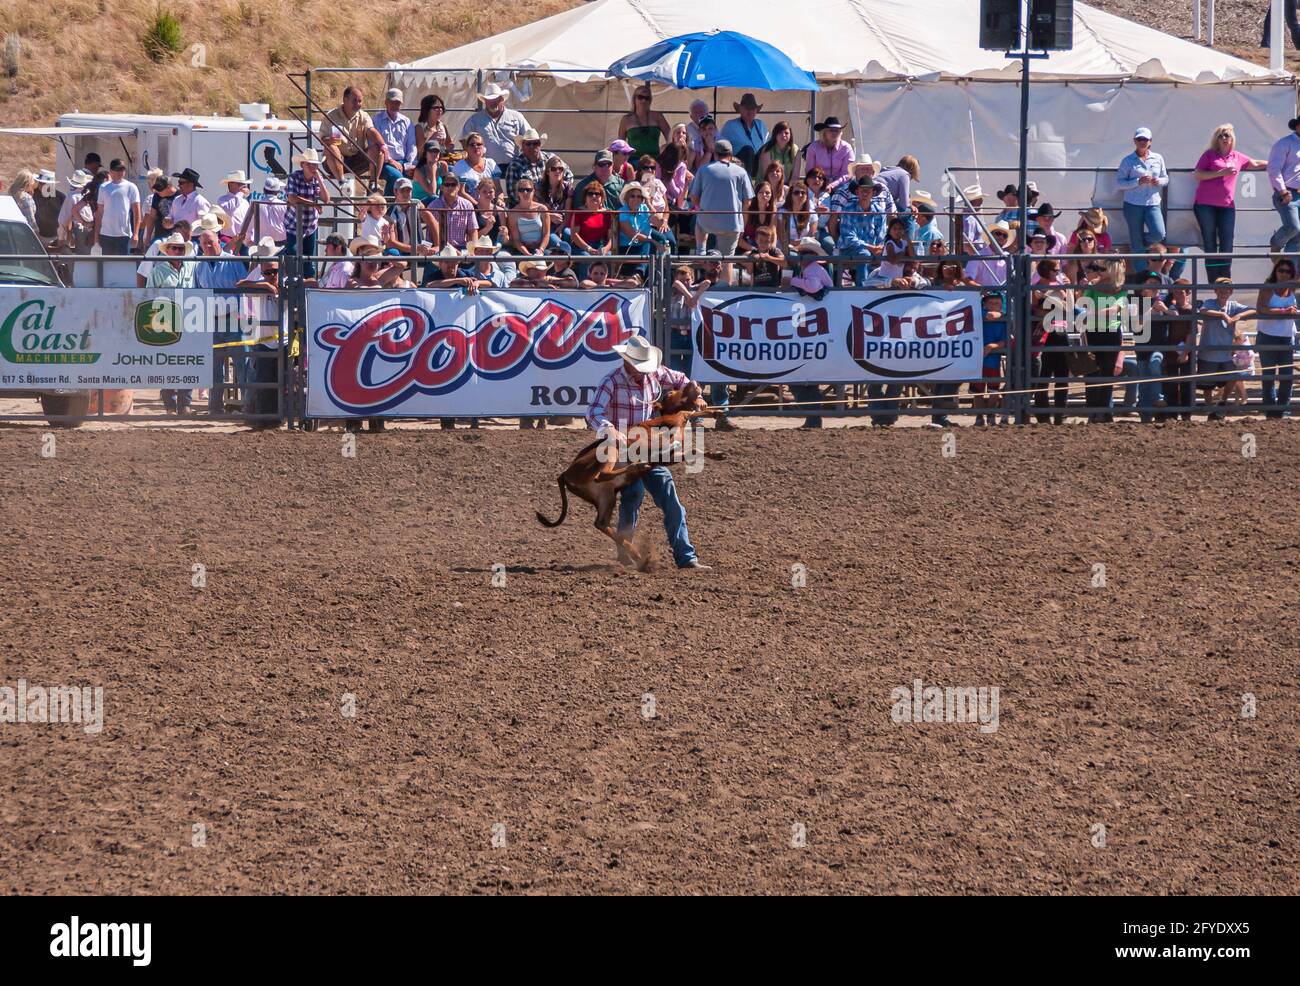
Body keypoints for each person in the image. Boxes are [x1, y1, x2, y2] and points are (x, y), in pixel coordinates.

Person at [584, 334, 710, 570]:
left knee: (670, 497)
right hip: (622, 450)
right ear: (627, 361)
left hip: (648, 448)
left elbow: (682, 380)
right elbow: (593, 412)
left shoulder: (655, 373)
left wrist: (698, 396)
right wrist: (609, 428)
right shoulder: (610, 382)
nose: (643, 371)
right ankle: (625, 552)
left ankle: (686, 558)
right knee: (633, 495)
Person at [1193, 124, 1266, 280]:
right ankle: (1213, 280)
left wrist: (1278, 163)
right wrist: (1221, 173)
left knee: (1227, 241)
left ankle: (1225, 279)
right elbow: (1198, 174)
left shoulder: (1237, 156)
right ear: (1216, 139)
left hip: (1227, 205)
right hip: (1205, 205)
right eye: (1221, 135)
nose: (1224, 138)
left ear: (1232, 139)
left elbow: (1255, 164)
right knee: (1210, 241)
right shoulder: (1209, 154)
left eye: (1227, 135)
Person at [194, 229, 249, 416]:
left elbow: (244, 287)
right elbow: (197, 293)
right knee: (214, 367)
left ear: (219, 241)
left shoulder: (233, 261)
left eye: (211, 242)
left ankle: (248, 406)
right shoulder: (199, 266)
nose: (208, 246)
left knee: (242, 364)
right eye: (204, 244)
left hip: (234, 318)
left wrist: (244, 315)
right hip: (212, 321)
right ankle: (214, 407)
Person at [689, 139, 754, 289]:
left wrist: (704, 207)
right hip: (732, 223)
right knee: (727, 260)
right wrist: (741, 224)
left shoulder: (704, 170)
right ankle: (724, 291)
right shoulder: (741, 172)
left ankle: (701, 251)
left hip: (707, 221)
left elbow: (694, 198)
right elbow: (747, 202)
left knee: (700, 222)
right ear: (730, 155)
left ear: (716, 155)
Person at [1199, 278, 1255, 420]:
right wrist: (1222, 314)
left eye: (1228, 289)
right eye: (1221, 289)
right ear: (1215, 291)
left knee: (1233, 377)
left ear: (1231, 292)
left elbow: (1253, 309)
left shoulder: (1233, 305)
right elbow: (1204, 310)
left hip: (1226, 353)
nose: (1224, 292)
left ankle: (1221, 403)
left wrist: (1239, 315)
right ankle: (1210, 408)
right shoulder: (1210, 303)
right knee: (1207, 384)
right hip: (1209, 351)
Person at [1081, 258, 1128, 422]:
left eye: (1103, 269)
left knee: (1106, 374)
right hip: (1094, 331)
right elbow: (1084, 304)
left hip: (1110, 332)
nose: (1099, 271)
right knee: (1092, 373)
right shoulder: (1094, 286)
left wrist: (1095, 312)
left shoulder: (1120, 288)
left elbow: (1116, 309)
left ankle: (1102, 411)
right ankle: (1094, 411)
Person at [1116, 126, 1168, 271]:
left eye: (1145, 139)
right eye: (1139, 139)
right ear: (1134, 141)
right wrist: (1137, 182)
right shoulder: (1127, 160)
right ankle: (1141, 277)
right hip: (1133, 204)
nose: (1142, 142)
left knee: (1159, 233)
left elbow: (1165, 178)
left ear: (1150, 141)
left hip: (1152, 203)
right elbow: (1119, 183)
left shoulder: (1158, 158)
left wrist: (1159, 182)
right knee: (1137, 242)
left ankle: (1139, 242)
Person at [1253, 258, 1297, 418]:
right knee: (1269, 376)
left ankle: (1283, 410)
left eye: (1287, 271)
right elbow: (1261, 308)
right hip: (1268, 336)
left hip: (1286, 336)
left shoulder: (1292, 287)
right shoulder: (1268, 287)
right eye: (1281, 270)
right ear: (1275, 271)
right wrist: (1283, 311)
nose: (1284, 274)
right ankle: (1271, 411)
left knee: (1287, 376)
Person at [1030, 256, 1072, 424]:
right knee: (1044, 375)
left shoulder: (1059, 287)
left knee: (1061, 375)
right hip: (1044, 333)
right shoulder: (1037, 288)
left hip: (1059, 331)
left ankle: (1060, 414)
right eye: (1056, 270)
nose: (1059, 273)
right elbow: (1035, 311)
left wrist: (1064, 293)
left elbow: (1067, 309)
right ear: (1047, 271)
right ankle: (1043, 415)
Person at [318, 85, 389, 184]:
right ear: (345, 100)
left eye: (360, 101)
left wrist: (383, 145)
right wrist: (328, 140)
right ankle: (342, 182)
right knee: (331, 147)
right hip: (335, 161)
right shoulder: (331, 116)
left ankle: (373, 184)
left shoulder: (363, 116)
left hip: (356, 160)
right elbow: (322, 138)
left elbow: (371, 131)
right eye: (354, 100)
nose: (358, 104)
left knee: (377, 149)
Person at [831, 177, 890, 288]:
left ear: (873, 192)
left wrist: (879, 248)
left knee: (891, 254)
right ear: (857, 192)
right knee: (865, 254)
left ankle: (888, 286)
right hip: (847, 250)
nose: (865, 193)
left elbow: (881, 236)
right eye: (862, 190)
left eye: (868, 190)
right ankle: (862, 288)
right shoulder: (848, 210)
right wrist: (871, 248)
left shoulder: (880, 212)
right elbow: (849, 238)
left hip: (872, 249)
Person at [460, 82, 532, 168]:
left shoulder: (516, 117)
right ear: (485, 101)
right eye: (489, 100)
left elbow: (530, 137)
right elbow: (464, 140)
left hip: (512, 166)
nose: (492, 102)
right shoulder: (475, 120)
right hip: (485, 167)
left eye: (496, 99)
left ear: (502, 100)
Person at [284, 148, 330, 279]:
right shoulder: (294, 176)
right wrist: (313, 204)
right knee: (293, 254)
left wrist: (320, 180)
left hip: (310, 226)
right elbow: (292, 198)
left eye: (315, 164)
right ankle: (291, 282)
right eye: (310, 164)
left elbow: (326, 199)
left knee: (308, 260)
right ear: (302, 164)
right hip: (294, 224)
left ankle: (306, 286)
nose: (313, 167)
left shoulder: (316, 179)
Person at [503, 129, 570, 208]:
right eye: (528, 144)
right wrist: (543, 210)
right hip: (528, 213)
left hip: (556, 208)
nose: (532, 146)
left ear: (539, 145)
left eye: (535, 143)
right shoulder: (514, 166)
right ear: (522, 146)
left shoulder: (551, 158)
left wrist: (560, 190)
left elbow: (569, 175)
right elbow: (514, 197)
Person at [91, 158, 141, 257]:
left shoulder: (131, 187)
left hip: (124, 235)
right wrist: (96, 236)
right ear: (111, 171)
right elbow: (99, 213)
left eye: (122, 169)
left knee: (122, 266)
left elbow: (137, 212)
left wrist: (135, 234)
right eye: (117, 169)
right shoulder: (103, 187)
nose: (120, 172)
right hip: (106, 234)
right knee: (107, 266)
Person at [1266, 116, 1300, 256]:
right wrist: (1283, 191)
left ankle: (1290, 271)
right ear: (1297, 126)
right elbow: (1274, 169)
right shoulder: (1284, 143)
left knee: (1298, 237)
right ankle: (1275, 243)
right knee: (1293, 227)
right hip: (1288, 193)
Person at [374, 88, 417, 194]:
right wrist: (390, 160)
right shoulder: (376, 120)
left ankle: (417, 205)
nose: (395, 105)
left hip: (404, 161)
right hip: (384, 163)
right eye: (392, 102)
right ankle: (390, 206)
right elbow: (375, 145)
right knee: (397, 177)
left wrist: (409, 164)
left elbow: (412, 145)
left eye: (397, 103)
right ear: (386, 102)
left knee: (422, 173)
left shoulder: (407, 122)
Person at [720, 93, 768, 178]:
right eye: (746, 108)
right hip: (738, 164)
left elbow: (768, 143)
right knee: (748, 150)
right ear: (740, 110)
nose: (750, 111)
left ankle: (767, 182)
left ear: (756, 111)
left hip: (758, 164)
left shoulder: (761, 125)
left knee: (766, 150)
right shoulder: (730, 125)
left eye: (753, 109)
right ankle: (747, 182)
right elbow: (721, 147)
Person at [618, 85, 670, 160]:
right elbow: (620, 144)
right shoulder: (626, 120)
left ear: (650, 100)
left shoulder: (658, 116)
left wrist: (665, 153)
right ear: (634, 99)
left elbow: (670, 137)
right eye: (640, 97)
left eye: (647, 98)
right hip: (634, 160)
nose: (643, 100)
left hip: (654, 160)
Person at [429, 172, 475, 251]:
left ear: (458, 187)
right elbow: (431, 233)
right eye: (447, 184)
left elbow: (473, 230)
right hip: (439, 248)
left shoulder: (467, 205)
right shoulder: (433, 206)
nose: (450, 187)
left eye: (453, 185)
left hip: (461, 248)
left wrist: (472, 251)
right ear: (442, 187)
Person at [506, 177, 550, 256]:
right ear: (518, 193)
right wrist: (527, 254)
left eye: (528, 189)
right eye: (521, 190)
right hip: (522, 250)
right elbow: (516, 240)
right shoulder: (512, 213)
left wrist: (540, 250)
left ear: (533, 191)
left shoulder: (542, 209)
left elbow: (546, 234)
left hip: (541, 249)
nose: (525, 192)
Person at [453, 132, 500, 200]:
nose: (476, 147)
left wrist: (500, 200)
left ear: (483, 147)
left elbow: (498, 189)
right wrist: (477, 205)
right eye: (472, 145)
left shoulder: (491, 163)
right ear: (467, 148)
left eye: (479, 144)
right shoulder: (460, 166)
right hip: (470, 206)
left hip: (491, 203)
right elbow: (460, 192)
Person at [757, 120, 800, 185]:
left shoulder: (796, 150)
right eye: (780, 133)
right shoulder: (767, 150)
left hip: (786, 186)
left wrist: (789, 191)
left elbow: (795, 177)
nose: (783, 135)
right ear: (775, 135)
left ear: (790, 135)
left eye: (786, 133)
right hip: (766, 187)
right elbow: (768, 176)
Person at [216, 171, 251, 249]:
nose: (244, 186)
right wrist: (241, 193)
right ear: (231, 184)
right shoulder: (222, 200)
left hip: (243, 241)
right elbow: (229, 209)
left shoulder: (245, 202)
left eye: (243, 184)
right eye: (240, 184)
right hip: (228, 240)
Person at [32, 169, 64, 242]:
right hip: (35, 237)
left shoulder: (60, 197)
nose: (41, 185)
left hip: (56, 237)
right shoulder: (32, 195)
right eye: (40, 182)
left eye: (45, 183)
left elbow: (66, 217)